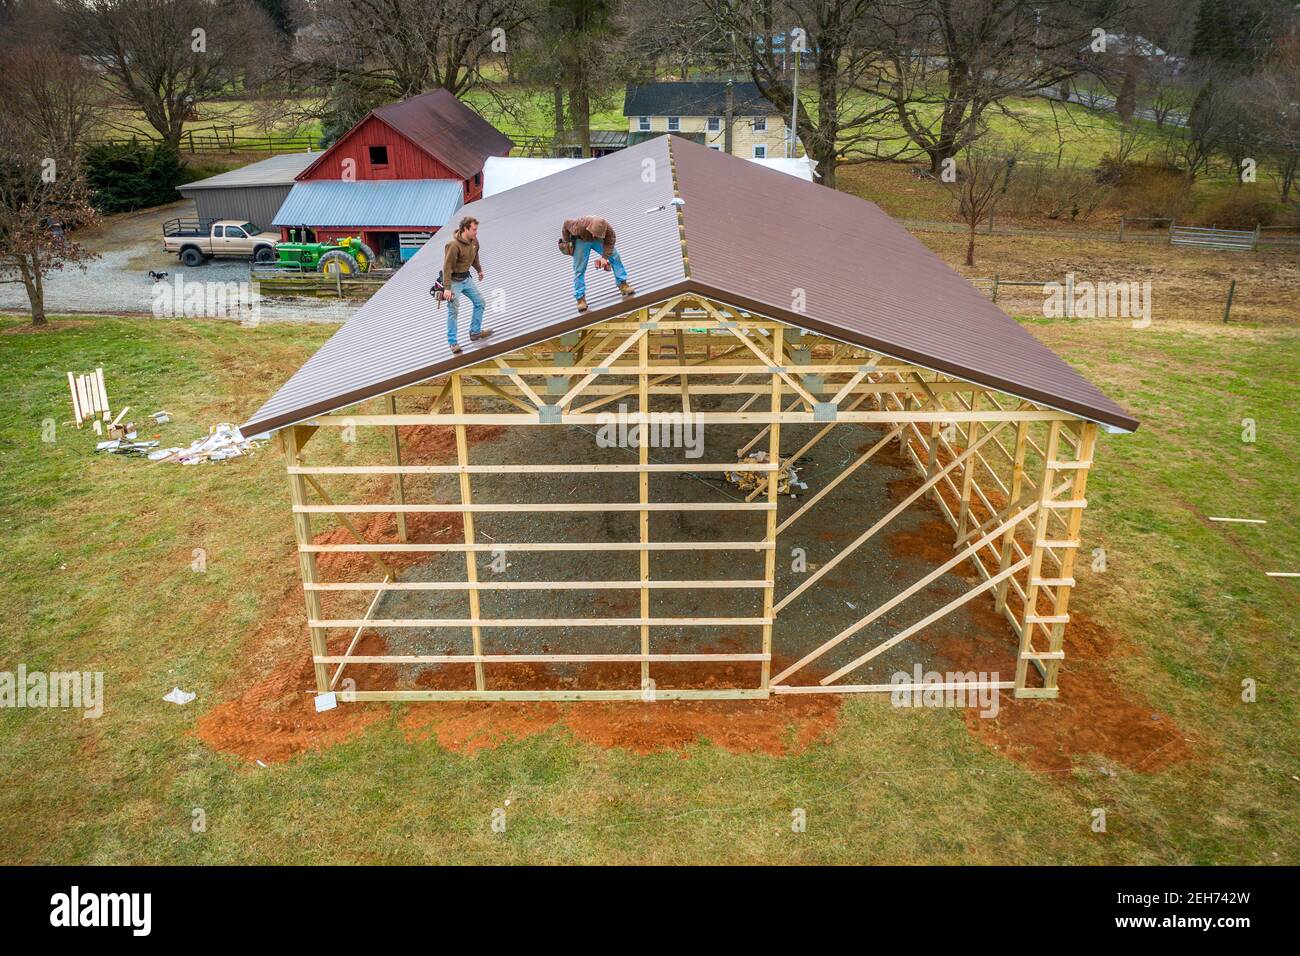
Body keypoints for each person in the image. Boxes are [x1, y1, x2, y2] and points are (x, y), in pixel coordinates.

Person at [559, 216, 635, 312]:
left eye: (597, 234)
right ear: (590, 229)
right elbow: (566, 223)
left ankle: (623, 284)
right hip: (581, 240)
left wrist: (605, 258)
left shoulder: (607, 229)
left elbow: (610, 242)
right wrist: (568, 243)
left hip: (598, 240)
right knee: (579, 270)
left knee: (615, 257)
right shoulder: (578, 226)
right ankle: (580, 299)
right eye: (594, 234)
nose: (594, 236)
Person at [442, 216, 490, 354]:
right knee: (453, 311)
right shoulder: (453, 245)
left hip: (466, 279)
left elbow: (474, 256)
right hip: (453, 281)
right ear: (465, 229)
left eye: (476, 229)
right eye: (474, 230)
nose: (476, 232)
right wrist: (447, 288)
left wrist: (479, 270)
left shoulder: (474, 241)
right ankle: (453, 343)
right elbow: (447, 267)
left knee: (480, 302)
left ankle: (475, 332)